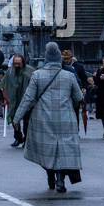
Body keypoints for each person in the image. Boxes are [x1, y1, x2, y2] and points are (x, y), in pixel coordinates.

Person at [13, 40, 83, 194]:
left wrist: (16, 118)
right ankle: (60, 179)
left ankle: (50, 174)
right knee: (63, 150)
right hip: (66, 119)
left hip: (43, 118)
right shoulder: (69, 76)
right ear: (59, 57)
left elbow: (28, 99)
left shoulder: (37, 75)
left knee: (47, 150)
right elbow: (79, 97)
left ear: (46, 57)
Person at [3, 52, 34, 147]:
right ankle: (18, 137)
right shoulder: (10, 72)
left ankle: (27, 140)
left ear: (23, 63)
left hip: (26, 101)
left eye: (18, 63)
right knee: (14, 121)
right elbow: (3, 85)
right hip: (13, 101)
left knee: (26, 122)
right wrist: (5, 97)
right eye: (15, 63)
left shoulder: (30, 71)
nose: (16, 65)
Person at [61, 48, 89, 134]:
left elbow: (84, 79)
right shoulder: (61, 66)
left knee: (75, 112)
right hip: (64, 92)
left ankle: (76, 130)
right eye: (64, 59)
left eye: (67, 58)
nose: (66, 60)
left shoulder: (78, 66)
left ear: (71, 58)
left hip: (76, 92)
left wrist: (84, 88)